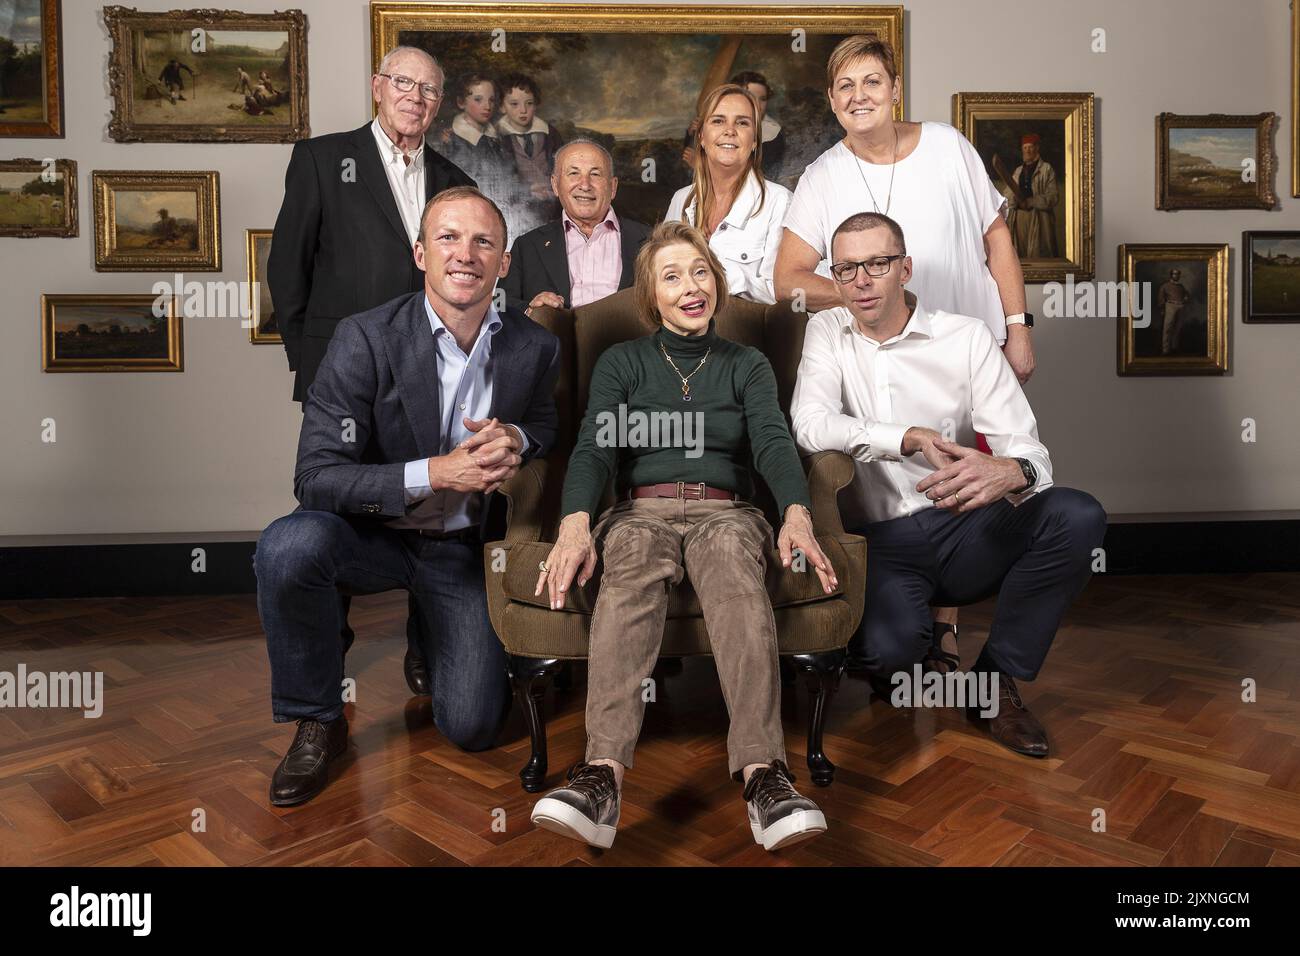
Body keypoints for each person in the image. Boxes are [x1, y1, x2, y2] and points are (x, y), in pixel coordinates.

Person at [528, 221, 834, 851]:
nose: (690, 287)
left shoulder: (746, 363)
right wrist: (574, 521)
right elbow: (594, 446)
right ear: (652, 297)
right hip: (641, 513)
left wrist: (797, 512)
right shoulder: (622, 362)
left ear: (716, 284)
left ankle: (765, 778)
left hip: (727, 512)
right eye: (671, 276)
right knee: (630, 568)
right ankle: (601, 779)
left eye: (699, 272)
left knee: (733, 573)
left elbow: (774, 442)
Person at [255, 188, 561, 807]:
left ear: (504, 262)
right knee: (287, 547)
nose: (465, 255)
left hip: (460, 548)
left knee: (473, 727)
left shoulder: (534, 345)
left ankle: (430, 626)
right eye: (448, 238)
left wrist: (519, 439)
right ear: (420, 253)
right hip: (372, 535)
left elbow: (547, 422)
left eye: (484, 242)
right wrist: (435, 473)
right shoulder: (363, 338)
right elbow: (315, 477)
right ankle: (318, 721)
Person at [790, 212, 1106, 757]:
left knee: (1077, 514)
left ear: (905, 268)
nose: (861, 280)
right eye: (846, 269)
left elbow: (1029, 448)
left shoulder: (965, 338)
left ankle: (995, 684)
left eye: (877, 264)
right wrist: (905, 436)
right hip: (881, 543)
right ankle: (910, 644)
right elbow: (811, 424)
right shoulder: (826, 332)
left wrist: (1011, 470)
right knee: (894, 663)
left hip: (966, 529)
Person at [775, 35, 1035, 667]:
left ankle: (950, 632)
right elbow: (788, 281)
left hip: (967, 351)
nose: (859, 96)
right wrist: (868, 291)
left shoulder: (948, 146)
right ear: (833, 105)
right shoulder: (822, 175)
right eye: (844, 88)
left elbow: (996, 238)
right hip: (888, 353)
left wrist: (1018, 325)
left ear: (894, 90)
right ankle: (922, 630)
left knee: (981, 485)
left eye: (871, 82)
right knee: (920, 482)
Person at [268, 45, 475, 696]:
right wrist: (311, 365)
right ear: (377, 88)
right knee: (328, 514)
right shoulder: (323, 160)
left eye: (430, 90)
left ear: (438, 106)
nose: (416, 96)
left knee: (430, 504)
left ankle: (428, 643)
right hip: (343, 376)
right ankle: (322, 671)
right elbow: (286, 270)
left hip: (430, 375)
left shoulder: (450, 174)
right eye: (404, 83)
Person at [664, 84, 790, 305]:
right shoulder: (680, 200)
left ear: (754, 141)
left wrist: (720, 276)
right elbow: (662, 277)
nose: (729, 130)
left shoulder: (780, 202)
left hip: (745, 335)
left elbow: (783, 294)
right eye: (718, 120)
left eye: (742, 122)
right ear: (702, 136)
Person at [500, 138, 651, 315]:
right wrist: (530, 310)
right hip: (554, 341)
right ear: (555, 185)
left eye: (595, 174)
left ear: (613, 187)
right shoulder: (526, 246)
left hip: (630, 341)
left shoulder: (650, 241)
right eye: (573, 173)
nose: (585, 185)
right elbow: (500, 304)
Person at [682, 71, 786, 182]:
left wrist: (701, 167)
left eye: (763, 99)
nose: (758, 104)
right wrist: (694, 134)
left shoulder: (772, 133)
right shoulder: (716, 124)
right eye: (750, 96)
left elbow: (758, 177)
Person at [495, 73, 563, 203]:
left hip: (553, 202)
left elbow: (563, 170)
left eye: (529, 103)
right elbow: (497, 181)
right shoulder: (495, 138)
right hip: (517, 205)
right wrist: (527, 190)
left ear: (536, 105)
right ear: (502, 107)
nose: (523, 110)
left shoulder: (551, 134)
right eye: (514, 104)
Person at [994, 133, 1059, 259]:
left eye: (1030, 147)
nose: (1027, 151)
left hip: (1039, 219)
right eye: (1025, 148)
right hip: (1019, 219)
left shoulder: (1046, 169)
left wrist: (1031, 201)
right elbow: (1007, 194)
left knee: (1039, 254)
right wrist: (1015, 199)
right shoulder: (1018, 171)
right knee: (1020, 255)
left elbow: (1053, 197)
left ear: (1037, 148)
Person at [1157, 268, 1191, 355]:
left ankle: (1174, 347)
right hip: (1170, 306)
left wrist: (1186, 297)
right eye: (1175, 274)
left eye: (1178, 274)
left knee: (1178, 328)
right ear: (1171, 275)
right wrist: (1162, 308)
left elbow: (1186, 294)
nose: (1176, 276)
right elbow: (1161, 298)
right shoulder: (1165, 285)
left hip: (1181, 306)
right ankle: (1165, 350)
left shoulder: (1181, 286)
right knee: (1167, 328)